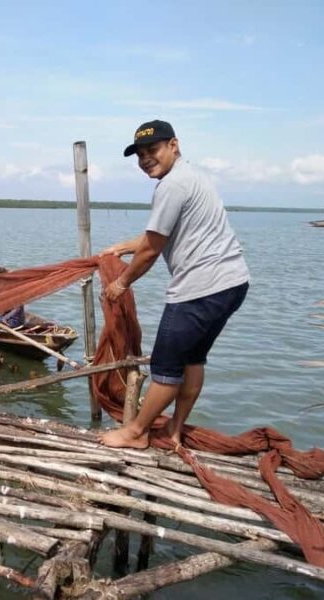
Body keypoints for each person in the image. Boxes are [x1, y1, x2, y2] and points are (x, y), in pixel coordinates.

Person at [98, 120, 249, 450]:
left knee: (165, 365)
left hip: (202, 287)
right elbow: (158, 235)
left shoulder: (172, 185)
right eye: (140, 155)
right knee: (193, 358)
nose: (146, 159)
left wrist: (121, 282)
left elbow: (152, 248)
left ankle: (136, 433)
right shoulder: (191, 177)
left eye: (152, 150)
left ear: (174, 145)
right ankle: (174, 430)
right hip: (232, 284)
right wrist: (122, 248)